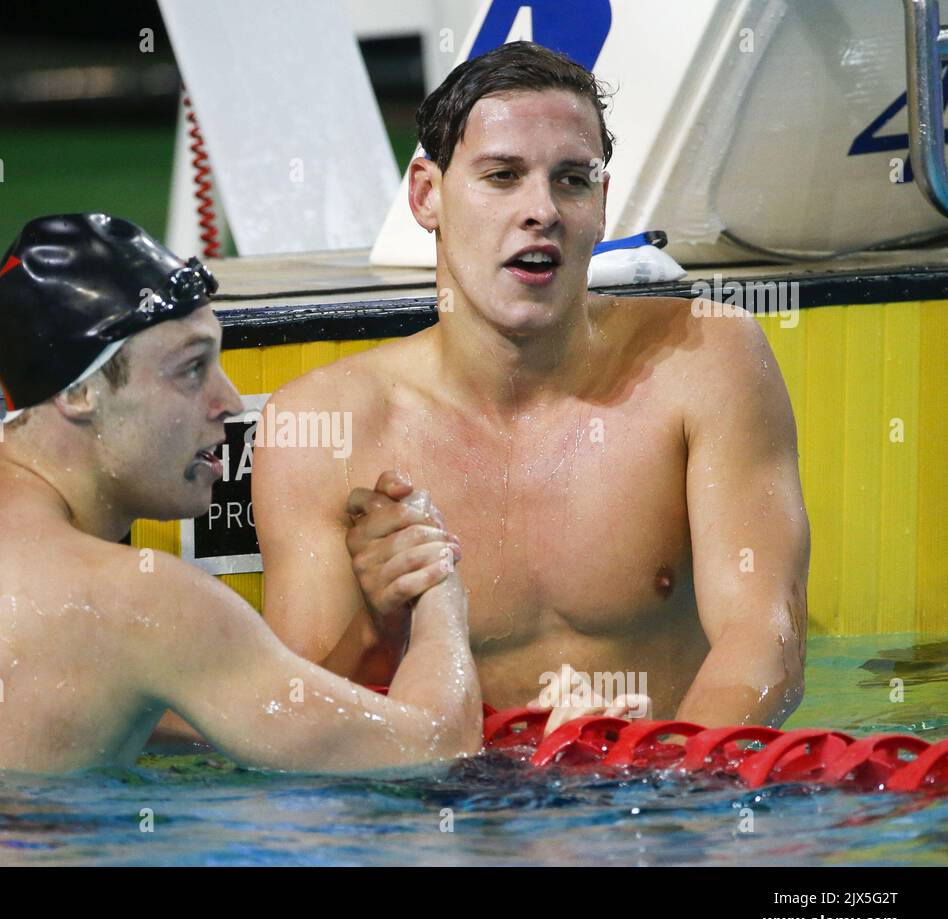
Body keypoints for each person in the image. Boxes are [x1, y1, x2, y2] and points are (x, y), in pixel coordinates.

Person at [0, 213, 482, 773]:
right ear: (83, 393)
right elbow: (434, 748)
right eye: (190, 370)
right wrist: (438, 584)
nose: (229, 400)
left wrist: (371, 632)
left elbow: (229, 715)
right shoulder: (141, 600)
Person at [253, 42, 810, 729]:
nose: (541, 209)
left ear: (603, 204)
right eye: (503, 176)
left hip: (668, 804)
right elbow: (297, 723)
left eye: (572, 180)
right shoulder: (323, 426)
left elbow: (767, 639)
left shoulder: (704, 359)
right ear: (427, 195)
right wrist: (380, 628)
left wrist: (672, 774)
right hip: (453, 813)